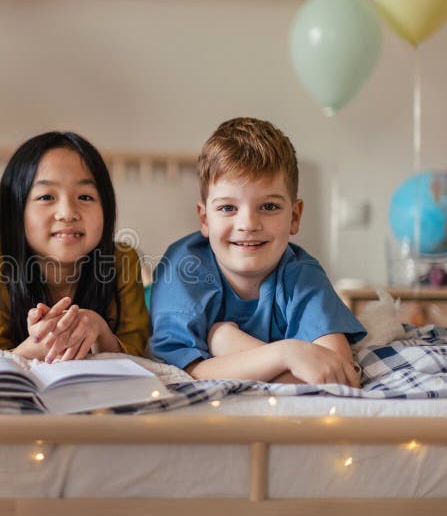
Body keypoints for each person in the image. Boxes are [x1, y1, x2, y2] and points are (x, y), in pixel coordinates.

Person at [149, 117, 365, 386]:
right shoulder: (183, 268)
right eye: (228, 208)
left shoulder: (301, 274)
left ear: (295, 216)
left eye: (269, 206)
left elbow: (339, 373)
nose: (248, 224)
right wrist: (286, 353)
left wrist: (226, 341)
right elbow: (188, 371)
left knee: (221, 336)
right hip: (155, 299)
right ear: (204, 219)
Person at [0, 131, 148, 363]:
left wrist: (99, 331)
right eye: (46, 197)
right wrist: (42, 344)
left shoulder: (122, 260)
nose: (68, 213)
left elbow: (139, 354)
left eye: (85, 197)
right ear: (16, 210)